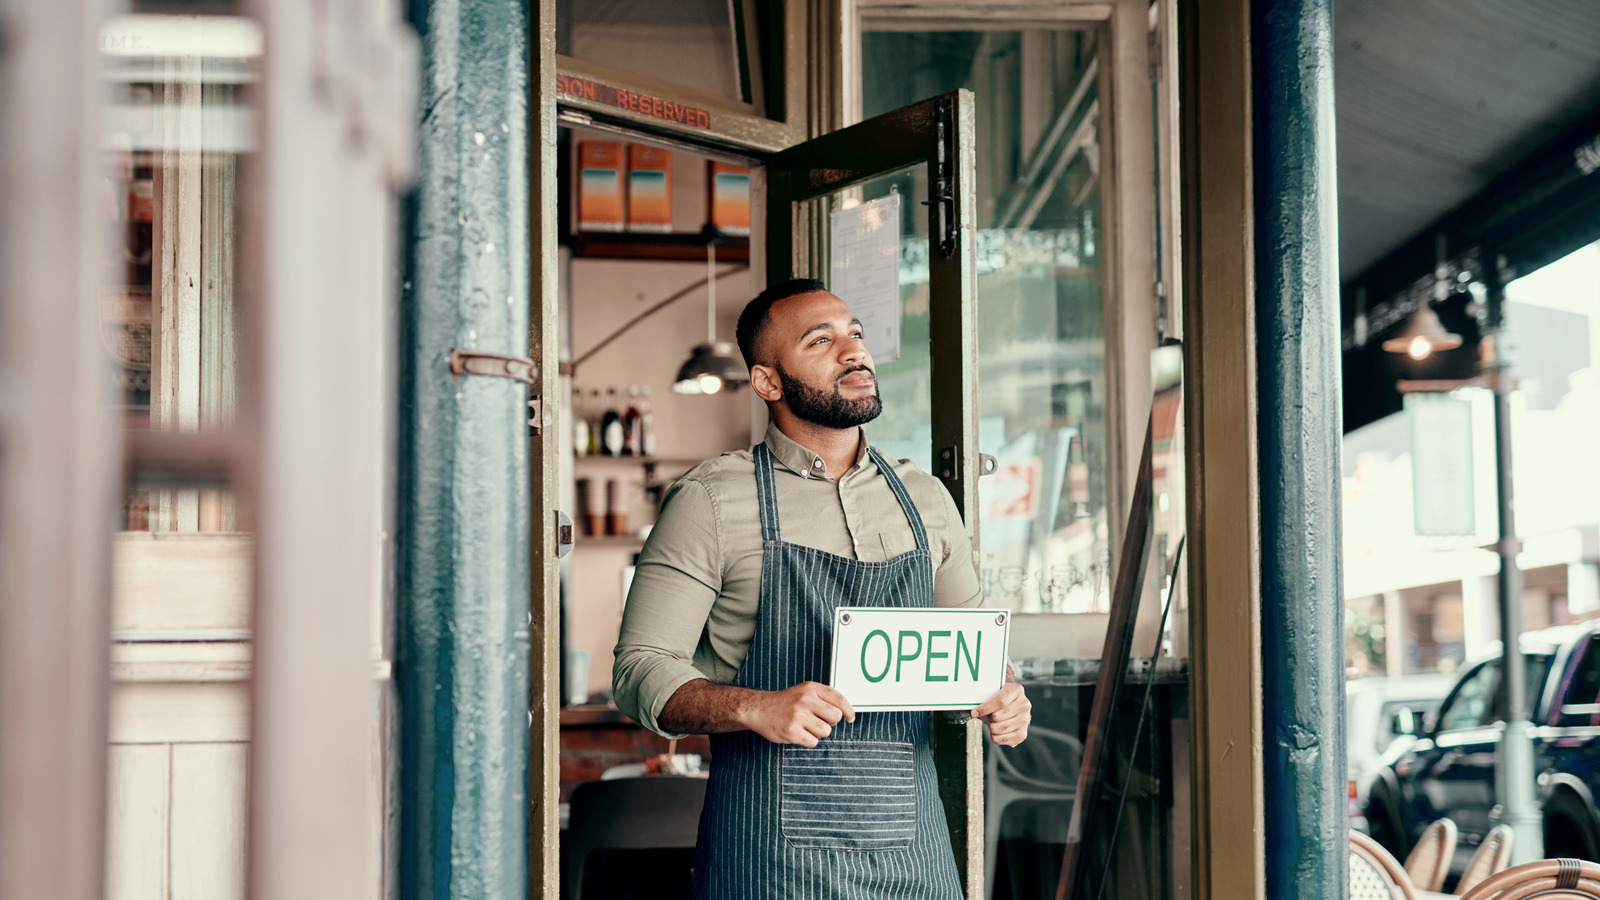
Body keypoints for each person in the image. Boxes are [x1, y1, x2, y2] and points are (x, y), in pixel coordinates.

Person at [613, 278, 1030, 898]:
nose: (852, 351)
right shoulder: (710, 500)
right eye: (821, 340)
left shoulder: (925, 499)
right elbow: (640, 671)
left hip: (912, 859)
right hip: (767, 860)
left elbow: (977, 659)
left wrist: (1003, 693)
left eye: (855, 334)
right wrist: (757, 707)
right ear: (768, 382)